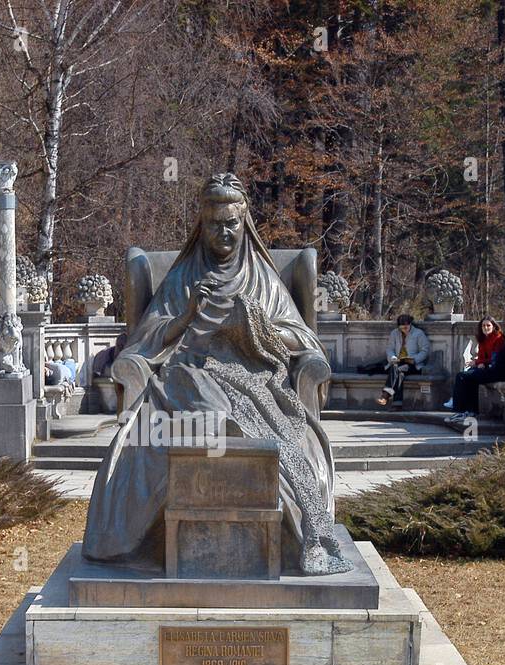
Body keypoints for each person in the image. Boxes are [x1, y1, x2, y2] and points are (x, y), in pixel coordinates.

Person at [82, 173, 349, 575]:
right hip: (187, 372)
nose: (223, 232)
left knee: (288, 438)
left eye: (231, 223)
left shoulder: (264, 279)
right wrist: (186, 315)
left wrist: (254, 323)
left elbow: (302, 339)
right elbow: (146, 340)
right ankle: (156, 535)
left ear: (245, 223)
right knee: (156, 431)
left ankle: (271, 510)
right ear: (201, 225)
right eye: (214, 224)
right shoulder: (181, 278)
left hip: (255, 375)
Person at [446, 315, 505, 422]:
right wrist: (479, 363)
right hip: (486, 368)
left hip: (495, 371)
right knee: (468, 377)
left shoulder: (498, 338)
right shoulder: (482, 339)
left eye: (488, 325)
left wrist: (478, 362)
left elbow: (494, 359)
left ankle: (458, 408)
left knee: (462, 376)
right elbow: (481, 357)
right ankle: (471, 411)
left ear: (494, 326)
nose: (486, 328)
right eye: (483, 326)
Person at [375, 314, 431, 406]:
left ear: (410, 324)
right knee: (398, 372)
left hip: (413, 365)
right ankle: (397, 404)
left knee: (396, 369)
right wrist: (392, 357)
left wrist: (415, 359)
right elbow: (390, 349)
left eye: (406, 327)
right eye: (402, 328)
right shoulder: (394, 333)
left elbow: (425, 350)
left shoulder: (418, 333)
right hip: (397, 362)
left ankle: (385, 396)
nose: (404, 329)